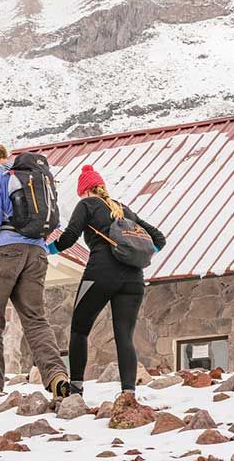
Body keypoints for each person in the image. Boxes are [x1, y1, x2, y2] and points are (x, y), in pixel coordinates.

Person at [47, 164, 166, 397]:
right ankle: (128, 393)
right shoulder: (124, 209)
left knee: (79, 330)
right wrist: (134, 253)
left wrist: (47, 249)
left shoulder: (87, 205)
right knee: (125, 336)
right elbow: (159, 239)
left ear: (84, 190)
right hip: (134, 278)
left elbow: (70, 236)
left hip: (100, 275)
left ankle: (76, 389)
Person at [0, 142, 70, 399]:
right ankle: (56, 375)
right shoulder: (32, 176)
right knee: (36, 319)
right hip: (36, 252)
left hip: (4, 251)